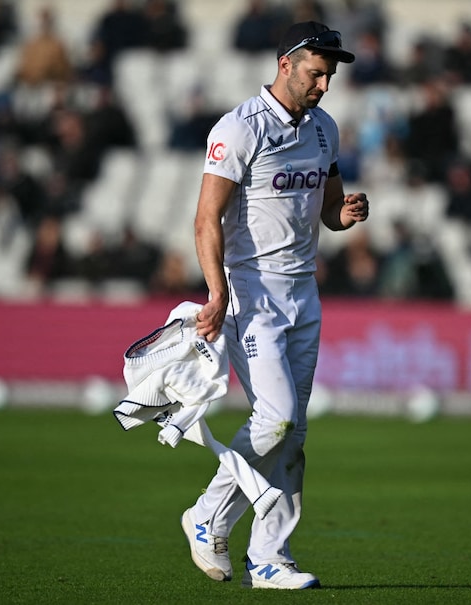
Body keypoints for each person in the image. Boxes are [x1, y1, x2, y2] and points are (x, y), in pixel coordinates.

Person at [184, 21, 368, 590]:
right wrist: (216, 293)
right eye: (316, 72)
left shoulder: (324, 130)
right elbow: (205, 219)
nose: (324, 85)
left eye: (330, 76)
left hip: (303, 295)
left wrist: (347, 214)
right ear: (285, 63)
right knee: (277, 417)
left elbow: (329, 210)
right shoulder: (240, 128)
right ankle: (206, 518)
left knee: (294, 432)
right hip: (251, 293)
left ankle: (270, 558)